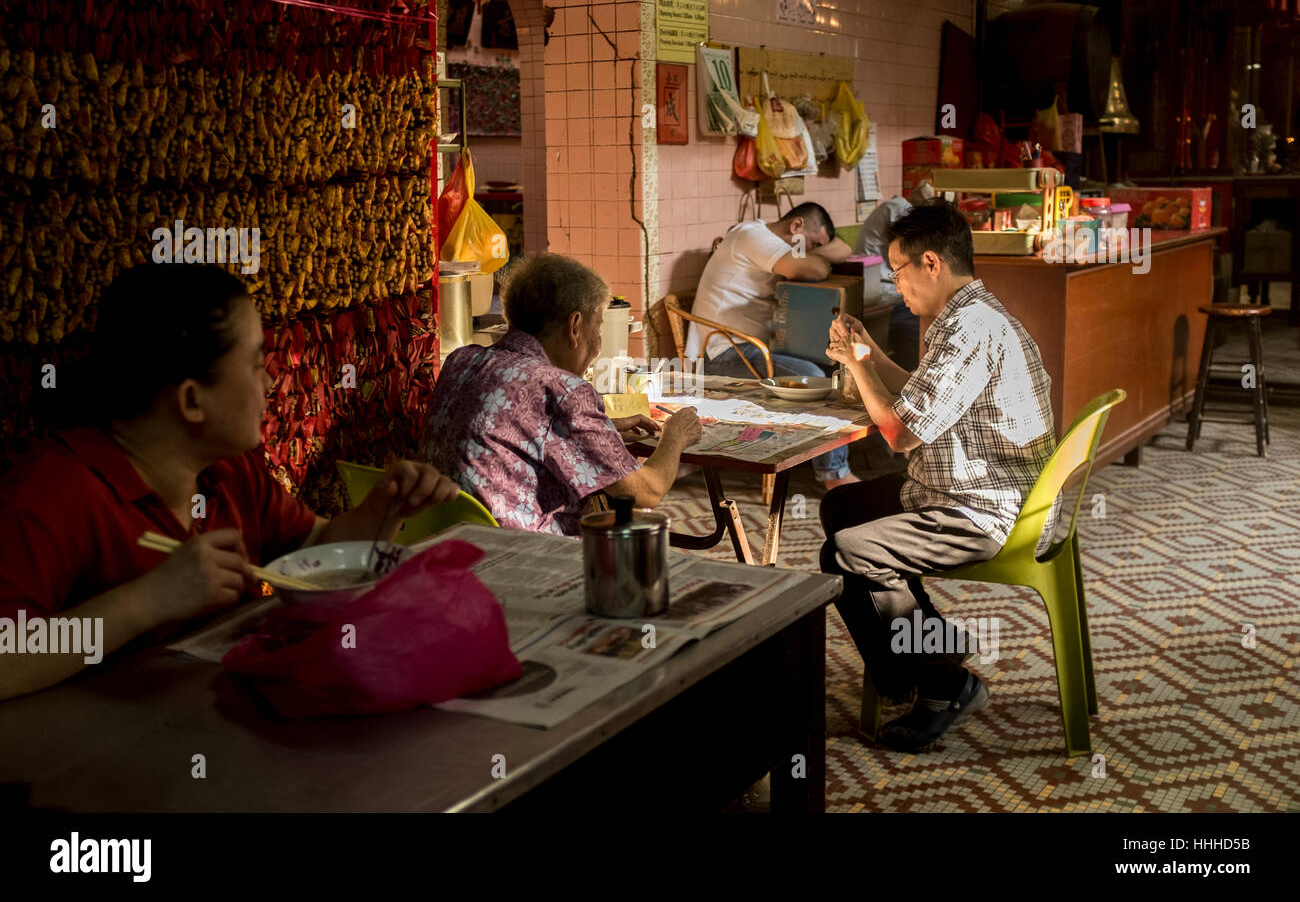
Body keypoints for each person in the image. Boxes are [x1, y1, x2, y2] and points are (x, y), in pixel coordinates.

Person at [0, 265, 460, 702]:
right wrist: (149, 600)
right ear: (191, 400)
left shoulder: (229, 469)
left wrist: (381, 510)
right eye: (256, 363)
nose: (269, 380)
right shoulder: (54, 492)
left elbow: (311, 548)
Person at [821, 198, 1057, 753]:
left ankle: (944, 683)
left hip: (984, 509)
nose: (897, 285)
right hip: (976, 487)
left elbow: (902, 433)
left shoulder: (969, 328)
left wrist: (856, 365)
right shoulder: (969, 315)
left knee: (848, 554)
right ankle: (928, 650)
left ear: (931, 263)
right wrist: (871, 353)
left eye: (898, 271)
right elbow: (924, 399)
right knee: (841, 509)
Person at [422, 252, 702, 536]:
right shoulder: (561, 389)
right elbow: (645, 492)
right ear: (575, 326)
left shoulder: (461, 361)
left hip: (448, 541)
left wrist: (607, 429)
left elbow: (520, 431)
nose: (598, 343)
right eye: (599, 326)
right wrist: (675, 435)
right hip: (518, 554)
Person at [685, 201, 858, 489]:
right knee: (815, 378)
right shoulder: (752, 236)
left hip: (755, 347)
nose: (811, 251)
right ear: (797, 226)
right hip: (724, 353)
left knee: (834, 365)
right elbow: (814, 270)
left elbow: (844, 249)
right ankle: (834, 477)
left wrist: (814, 252)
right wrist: (812, 258)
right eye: (812, 243)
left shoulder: (769, 238)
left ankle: (829, 468)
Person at [852, 181, 935, 372]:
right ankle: (910, 373)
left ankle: (907, 372)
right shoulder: (899, 208)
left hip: (883, 280)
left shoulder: (895, 206)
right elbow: (912, 250)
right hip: (877, 283)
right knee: (915, 316)